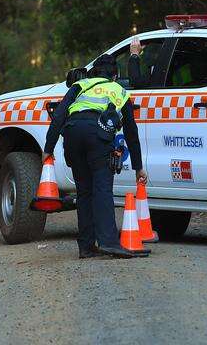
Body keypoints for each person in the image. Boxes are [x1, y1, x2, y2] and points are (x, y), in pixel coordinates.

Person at [44, 53, 148, 259]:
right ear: (115, 76)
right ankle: (109, 243)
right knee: (102, 189)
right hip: (97, 135)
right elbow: (131, 132)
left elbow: (59, 115)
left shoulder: (80, 85)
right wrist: (138, 167)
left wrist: (48, 148)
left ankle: (86, 246)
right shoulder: (119, 90)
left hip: (72, 134)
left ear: (94, 72)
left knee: (84, 192)